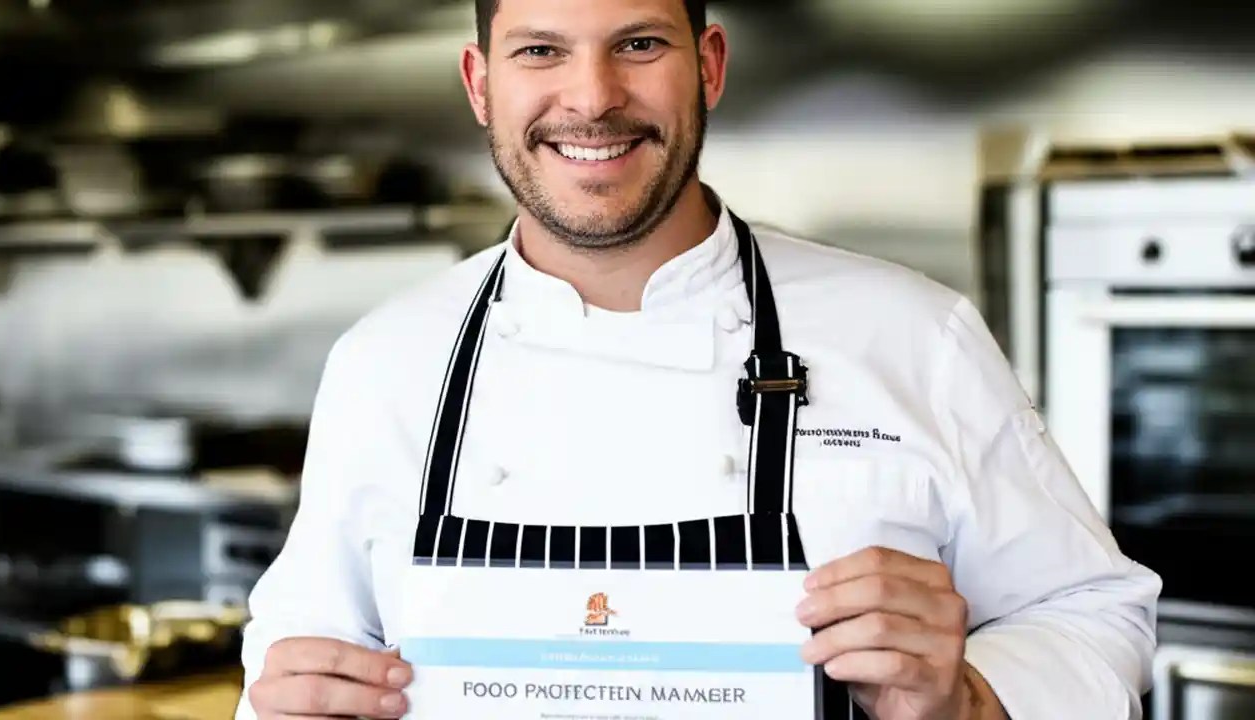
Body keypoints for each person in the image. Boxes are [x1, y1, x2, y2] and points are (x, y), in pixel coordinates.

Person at [235, 0, 1162, 717]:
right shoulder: (385, 363)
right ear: (480, 84)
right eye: (540, 50)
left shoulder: (914, 336)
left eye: (639, 43)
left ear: (708, 65)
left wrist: (965, 698)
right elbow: (295, 651)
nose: (592, 97)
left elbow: (1094, 612)